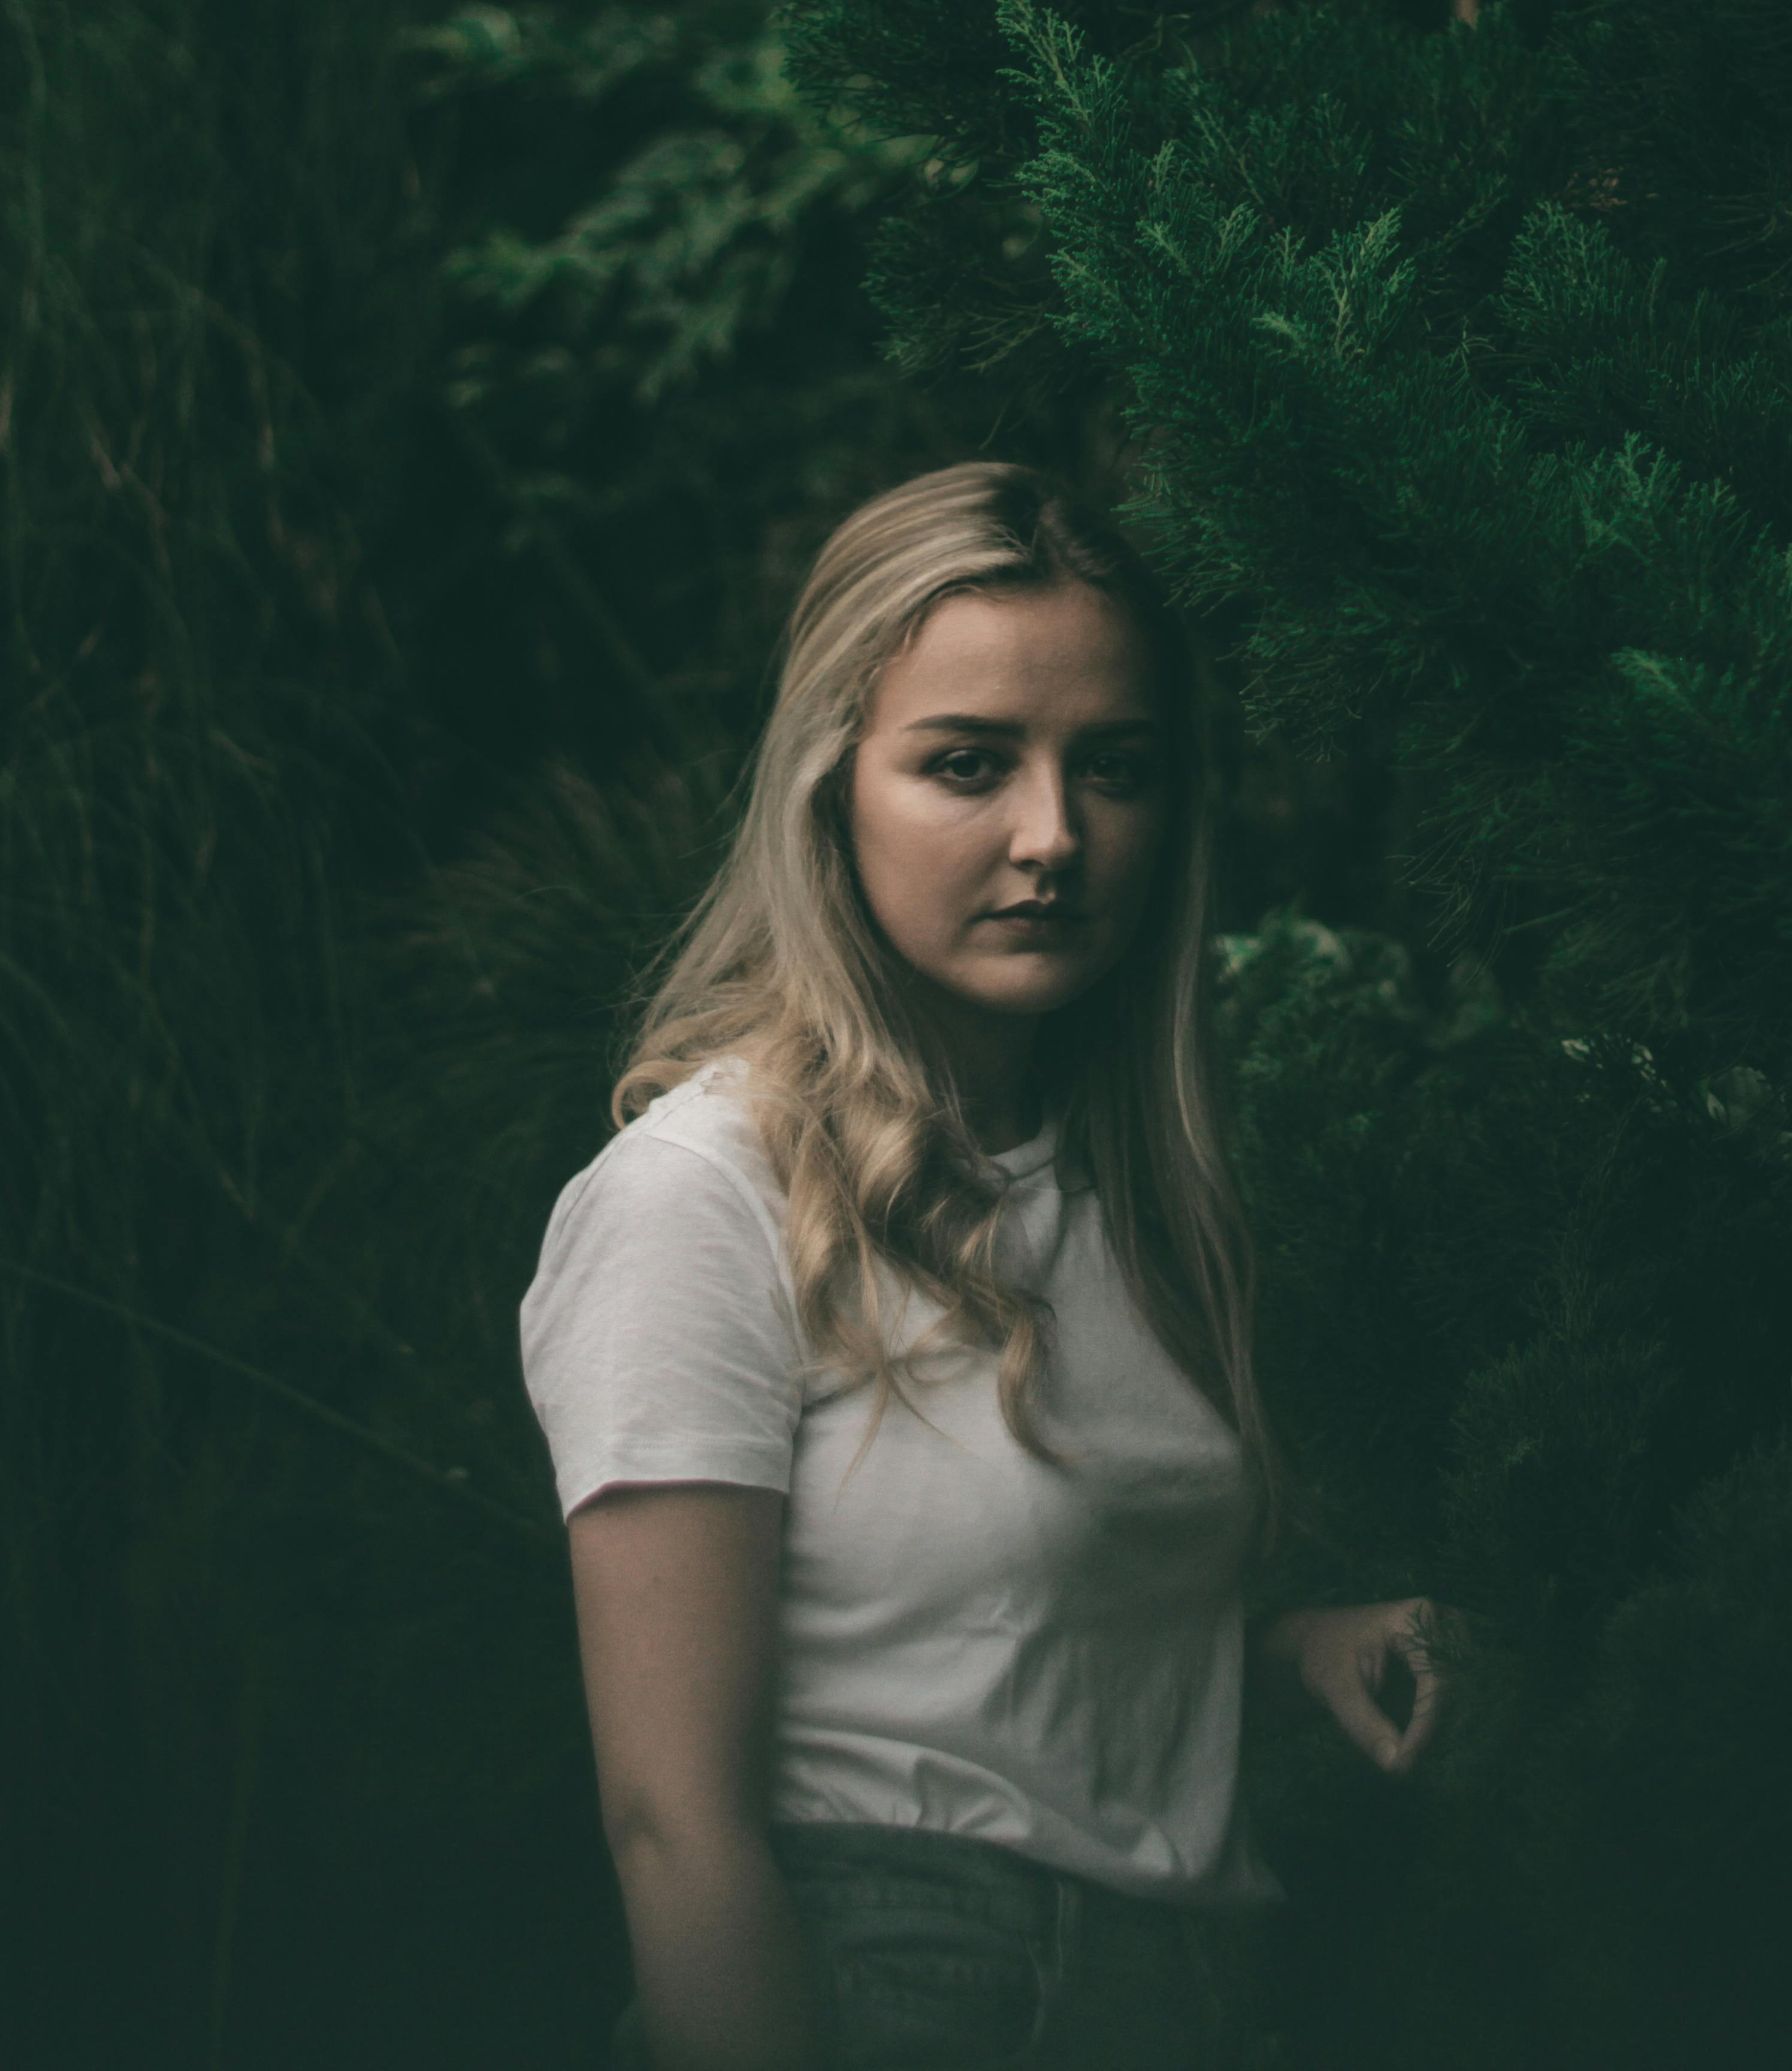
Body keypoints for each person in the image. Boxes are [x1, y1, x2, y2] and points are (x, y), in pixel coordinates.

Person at [518, 461, 1440, 2071]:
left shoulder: (1131, 1194)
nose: (1055, 836)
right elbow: (678, 1825)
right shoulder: (700, 1201)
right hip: (898, 1994)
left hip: (1192, 1996)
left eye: (1117, 768)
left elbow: (980, 1670)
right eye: (966, 764)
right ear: (831, 791)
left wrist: (1285, 1658)